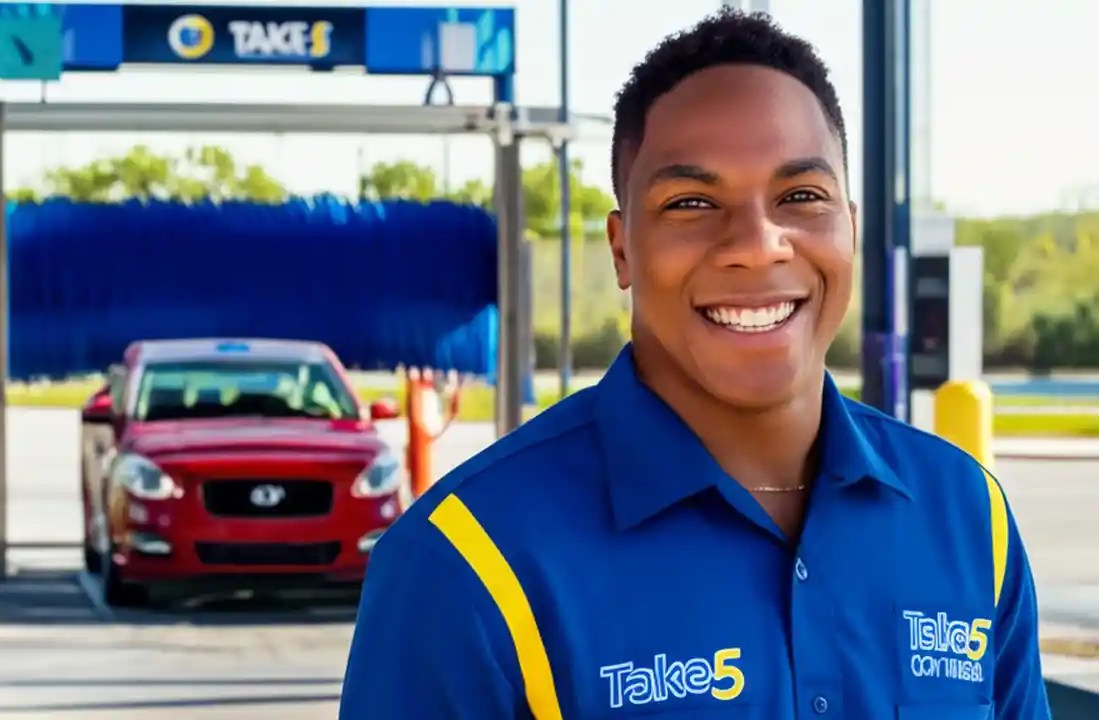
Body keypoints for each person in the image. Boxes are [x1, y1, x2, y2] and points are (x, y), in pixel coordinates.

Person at [339, 8, 1050, 719]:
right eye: (691, 202)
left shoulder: (967, 516)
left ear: (851, 228)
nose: (759, 243)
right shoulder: (465, 560)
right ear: (622, 248)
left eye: (802, 196)